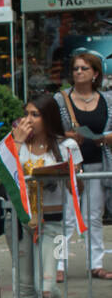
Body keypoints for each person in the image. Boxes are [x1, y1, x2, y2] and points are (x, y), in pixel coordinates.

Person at [12, 95, 82, 298]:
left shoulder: (67, 146)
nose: (28, 120)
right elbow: (8, 177)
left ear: (48, 117)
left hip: (54, 224)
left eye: (35, 115)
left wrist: (67, 174)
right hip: (22, 221)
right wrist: (17, 143)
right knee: (25, 286)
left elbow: (80, 188)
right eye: (26, 114)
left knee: (47, 287)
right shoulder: (18, 145)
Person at [55, 50, 112, 280]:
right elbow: (51, 130)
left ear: (95, 73)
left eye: (84, 68)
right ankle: (58, 265)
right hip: (70, 165)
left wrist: (107, 137)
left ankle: (95, 263)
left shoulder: (107, 99)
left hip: (98, 162)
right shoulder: (61, 99)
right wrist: (67, 134)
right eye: (76, 68)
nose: (78, 72)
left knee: (94, 216)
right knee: (66, 218)